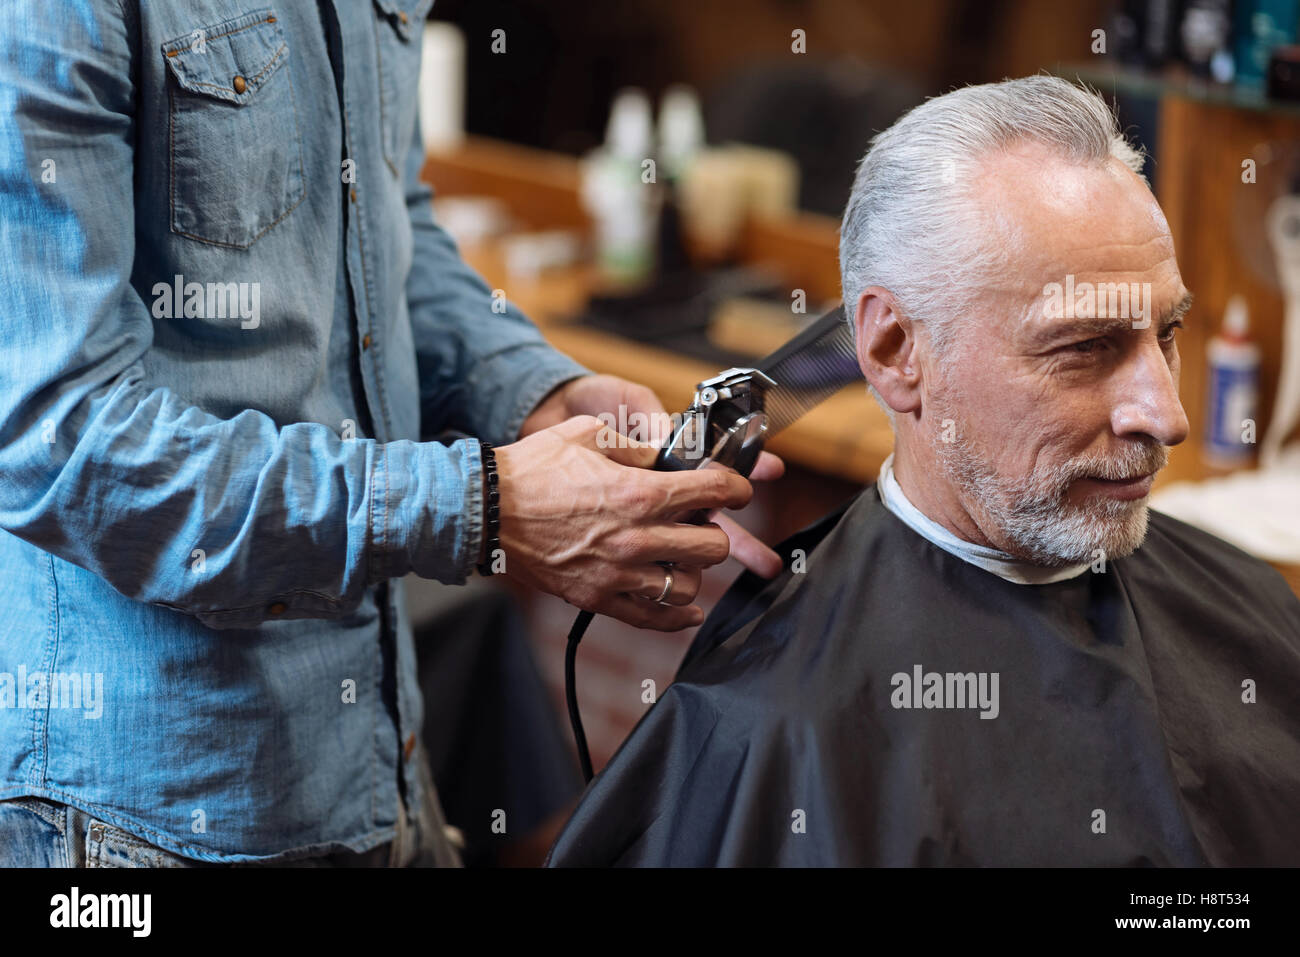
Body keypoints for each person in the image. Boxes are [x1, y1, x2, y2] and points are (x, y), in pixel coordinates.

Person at [0, 2, 781, 867]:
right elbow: (63, 436)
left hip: (378, 761)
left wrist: (529, 391)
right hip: (150, 814)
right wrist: (481, 504)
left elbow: (387, 238)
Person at [546, 75, 1300, 867]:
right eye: (1086, 348)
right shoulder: (770, 725)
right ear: (896, 352)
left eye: (1167, 332)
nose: (1166, 414)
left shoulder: (1248, 603)